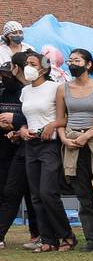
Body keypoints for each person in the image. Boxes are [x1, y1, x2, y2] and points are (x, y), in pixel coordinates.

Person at [55, 48, 93, 250]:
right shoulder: (62, 89)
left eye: (77, 60)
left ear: (88, 64)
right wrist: (64, 139)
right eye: (70, 60)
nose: (73, 63)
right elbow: (60, 119)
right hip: (73, 144)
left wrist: (87, 135)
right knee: (83, 196)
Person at [17, 51, 75, 252]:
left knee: (48, 192)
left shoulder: (55, 87)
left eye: (32, 63)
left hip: (49, 144)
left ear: (43, 67)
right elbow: (25, 117)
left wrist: (52, 125)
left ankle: (67, 235)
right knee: (35, 196)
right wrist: (23, 130)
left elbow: (66, 117)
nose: (28, 67)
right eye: (26, 63)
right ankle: (48, 239)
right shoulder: (25, 91)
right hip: (30, 144)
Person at [0, 54, 36, 249]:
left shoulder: (33, 91)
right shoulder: (2, 91)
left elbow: (38, 117)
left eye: (9, 73)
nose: (6, 78)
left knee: (34, 194)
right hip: (6, 150)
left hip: (30, 146)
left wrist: (15, 122)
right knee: (9, 191)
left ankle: (37, 234)